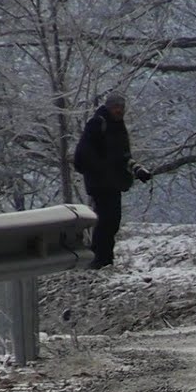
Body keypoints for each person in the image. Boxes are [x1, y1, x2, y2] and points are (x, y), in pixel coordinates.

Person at [73, 92, 152, 269]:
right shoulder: (97, 124)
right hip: (101, 183)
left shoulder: (118, 127)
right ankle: (99, 259)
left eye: (121, 107)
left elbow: (123, 156)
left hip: (113, 183)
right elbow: (84, 154)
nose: (119, 110)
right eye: (116, 107)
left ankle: (104, 258)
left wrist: (138, 170)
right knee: (106, 220)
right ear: (109, 107)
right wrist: (102, 169)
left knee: (112, 221)